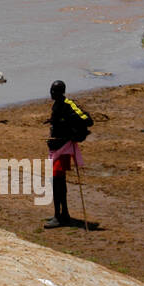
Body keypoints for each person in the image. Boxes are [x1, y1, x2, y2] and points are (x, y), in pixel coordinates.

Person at [45, 79, 80, 228]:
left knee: (57, 182)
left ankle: (58, 216)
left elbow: (84, 120)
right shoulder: (57, 105)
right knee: (59, 181)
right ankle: (63, 213)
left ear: (61, 92)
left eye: (55, 91)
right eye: (51, 90)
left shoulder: (67, 105)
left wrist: (69, 130)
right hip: (56, 148)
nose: (52, 93)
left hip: (63, 148)